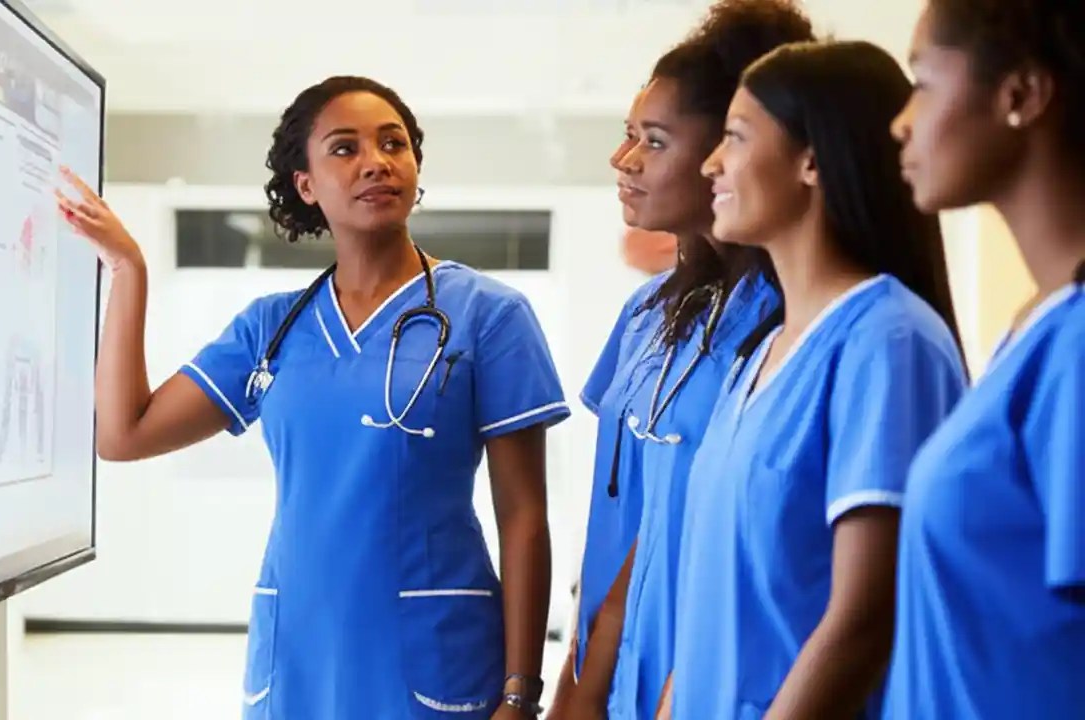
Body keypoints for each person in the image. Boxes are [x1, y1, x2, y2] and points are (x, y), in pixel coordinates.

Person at [55, 76, 569, 719]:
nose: (376, 162)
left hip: (434, 656)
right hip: (298, 655)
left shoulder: (487, 315)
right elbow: (123, 434)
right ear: (306, 185)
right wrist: (128, 270)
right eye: (345, 148)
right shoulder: (272, 327)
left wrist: (521, 691)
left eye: (393, 144)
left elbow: (523, 517)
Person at [661, 41, 968, 719]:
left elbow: (865, 616)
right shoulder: (756, 358)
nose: (711, 163)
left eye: (736, 137)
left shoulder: (888, 341)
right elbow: (715, 603)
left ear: (812, 160)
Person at [546, 3, 813, 719]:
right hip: (628, 673)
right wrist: (577, 691)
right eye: (629, 134)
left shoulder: (788, 323)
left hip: (725, 684)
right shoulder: (647, 313)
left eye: (654, 141)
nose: (624, 159)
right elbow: (628, 530)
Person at [885, 2, 1085, 717]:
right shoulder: (1033, 333)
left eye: (923, 83)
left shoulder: (1075, 349)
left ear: (1020, 95)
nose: (900, 122)